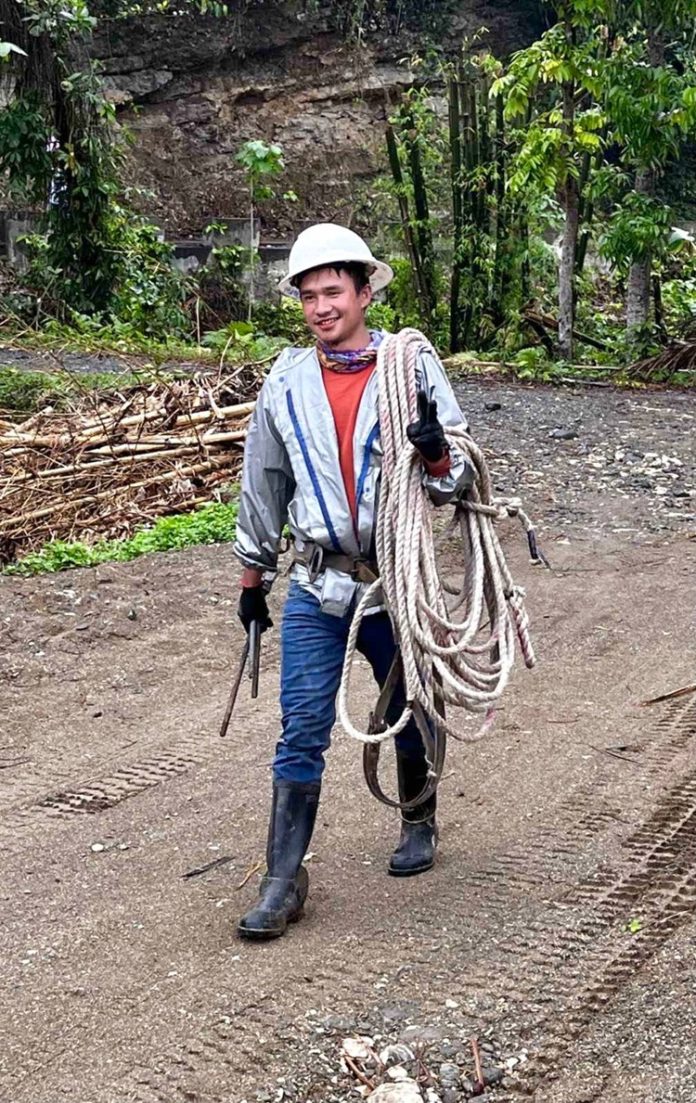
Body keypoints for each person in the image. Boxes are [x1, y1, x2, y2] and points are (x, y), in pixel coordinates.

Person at [233, 223, 473, 940]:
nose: (318, 306)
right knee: (301, 722)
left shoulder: (410, 366)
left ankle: (419, 817)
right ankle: (283, 878)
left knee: (407, 700)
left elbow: (459, 475)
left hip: (394, 579)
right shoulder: (286, 381)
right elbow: (264, 482)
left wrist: (435, 456)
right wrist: (253, 577)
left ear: (365, 291)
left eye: (332, 291)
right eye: (307, 295)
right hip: (317, 584)